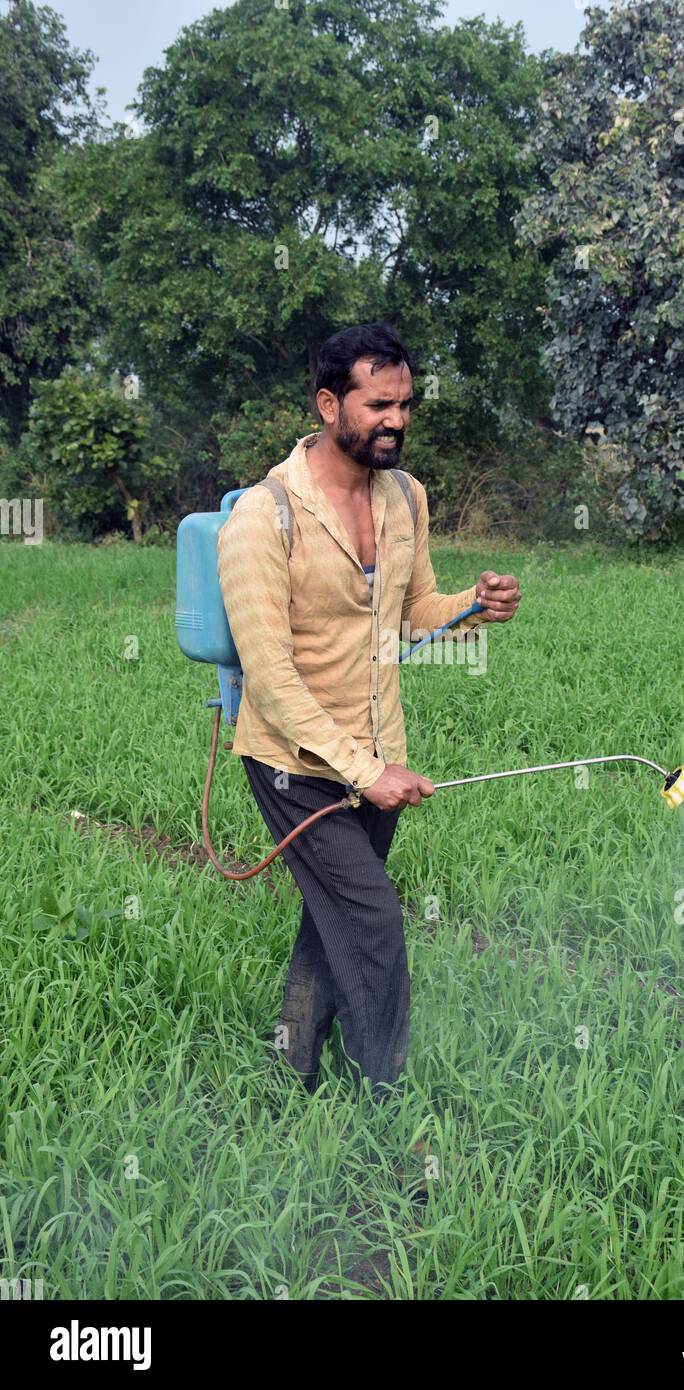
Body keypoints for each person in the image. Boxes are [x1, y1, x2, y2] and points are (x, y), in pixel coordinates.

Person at [217, 321, 521, 1106]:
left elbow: (414, 609)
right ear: (328, 403)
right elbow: (271, 677)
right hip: (294, 765)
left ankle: (289, 1076)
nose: (398, 420)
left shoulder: (405, 499)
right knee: (376, 927)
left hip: (377, 752)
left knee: (332, 926)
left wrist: (476, 607)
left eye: (407, 404)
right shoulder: (263, 516)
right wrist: (365, 772)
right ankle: (387, 1104)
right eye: (379, 404)